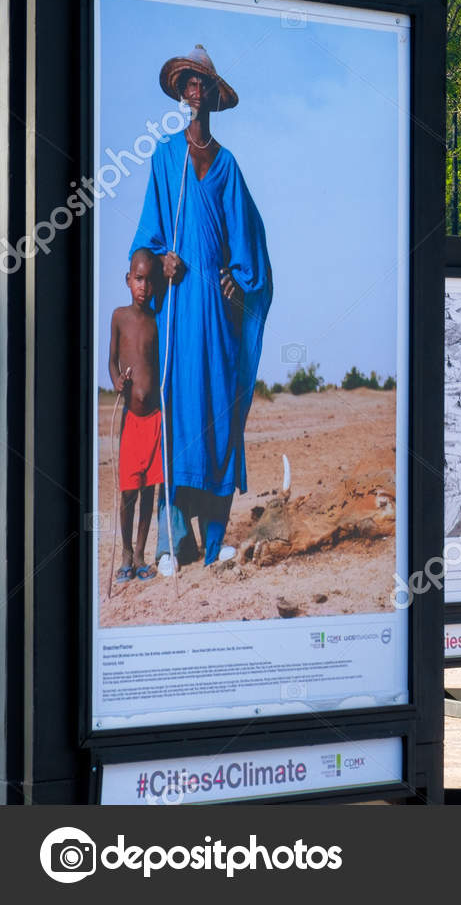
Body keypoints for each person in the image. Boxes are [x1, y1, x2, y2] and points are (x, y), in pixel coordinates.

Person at [134, 45, 272, 573]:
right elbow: (145, 237)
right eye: (189, 82)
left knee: (218, 416)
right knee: (178, 416)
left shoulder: (228, 165)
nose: (196, 90)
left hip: (215, 314)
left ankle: (214, 543)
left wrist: (239, 285)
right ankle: (172, 544)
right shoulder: (165, 157)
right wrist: (158, 261)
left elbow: (248, 239)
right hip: (176, 312)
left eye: (203, 84)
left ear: (214, 96)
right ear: (180, 92)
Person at [108, 248, 167, 583]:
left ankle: (142, 556)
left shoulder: (156, 322)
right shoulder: (119, 316)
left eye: (149, 280)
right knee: (128, 491)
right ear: (128, 279)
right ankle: (126, 555)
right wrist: (117, 380)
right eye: (138, 278)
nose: (143, 286)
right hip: (131, 417)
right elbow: (112, 359)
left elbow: (159, 366)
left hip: (154, 419)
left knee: (148, 491)